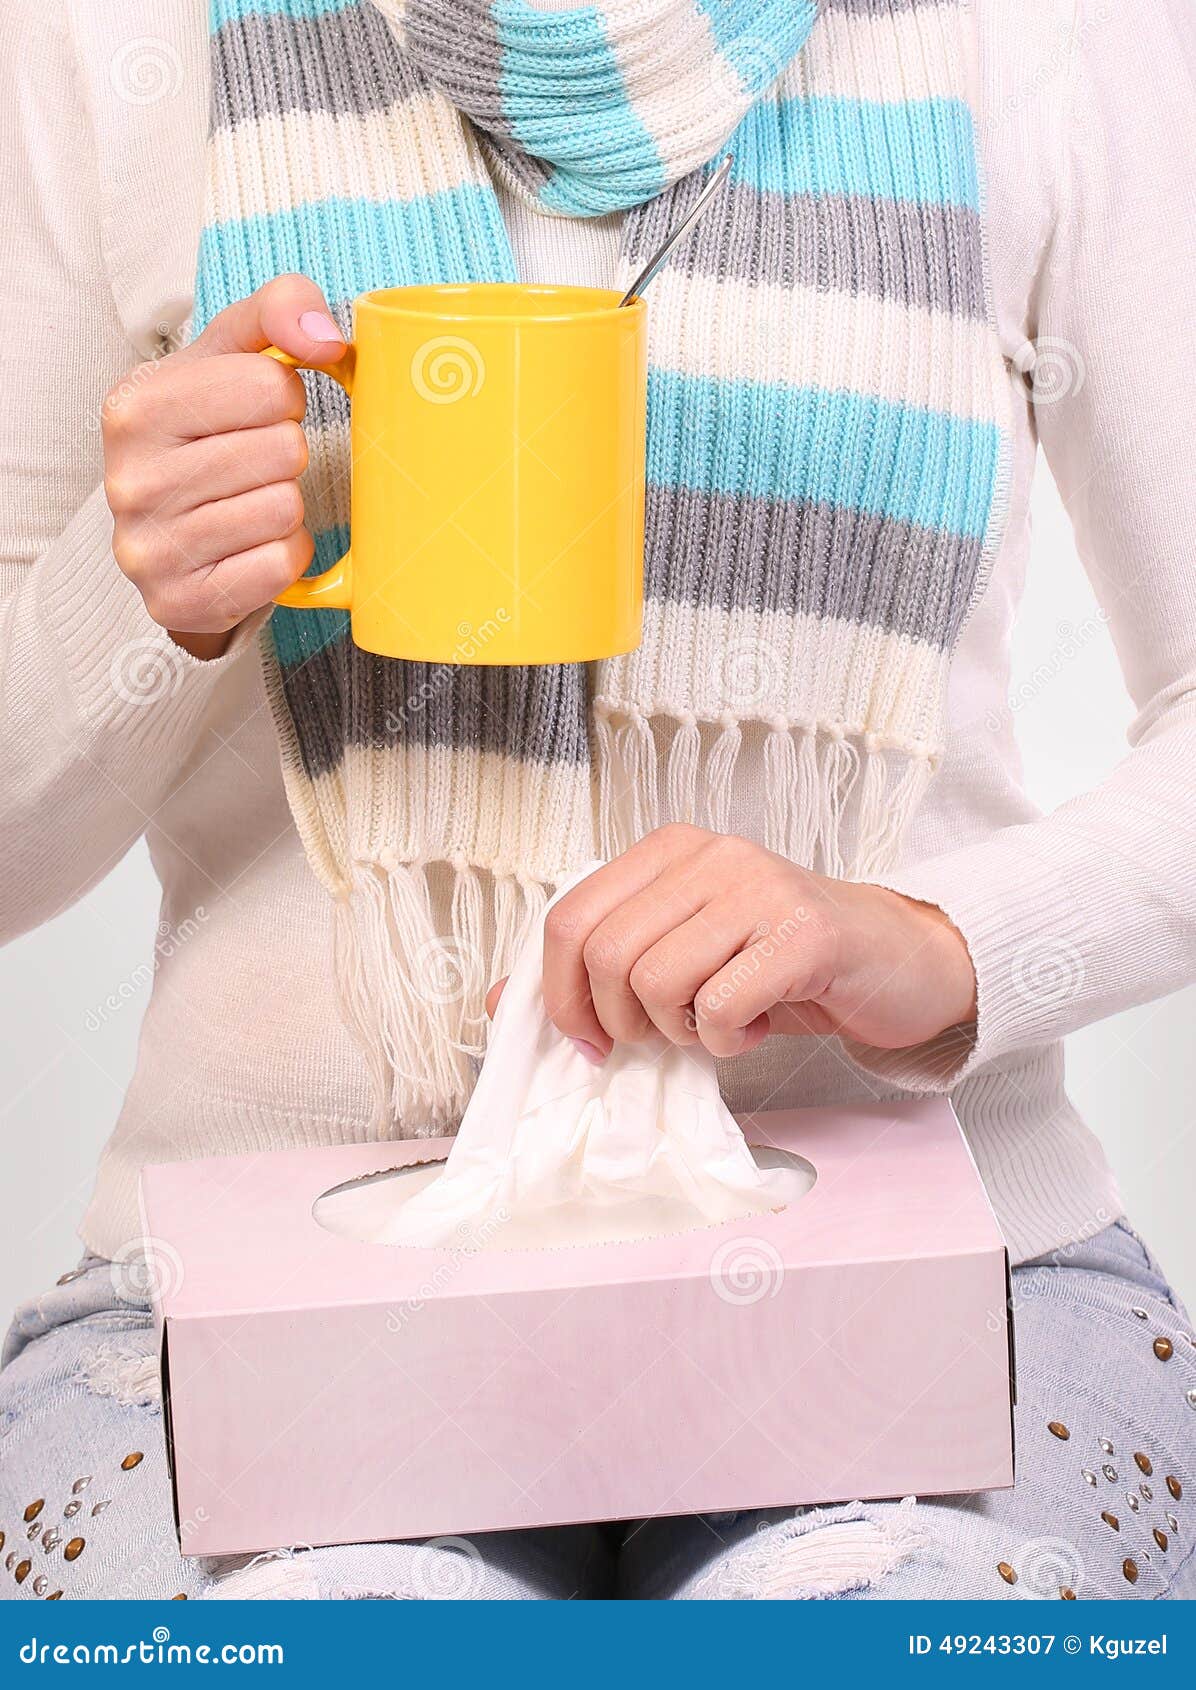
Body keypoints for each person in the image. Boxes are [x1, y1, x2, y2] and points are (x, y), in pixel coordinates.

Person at [1, 0, 1193, 1601]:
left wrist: (937, 939)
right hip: (260, 1295)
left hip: (927, 1263)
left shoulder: (1051, 30)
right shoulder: (101, 38)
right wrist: (133, 592)